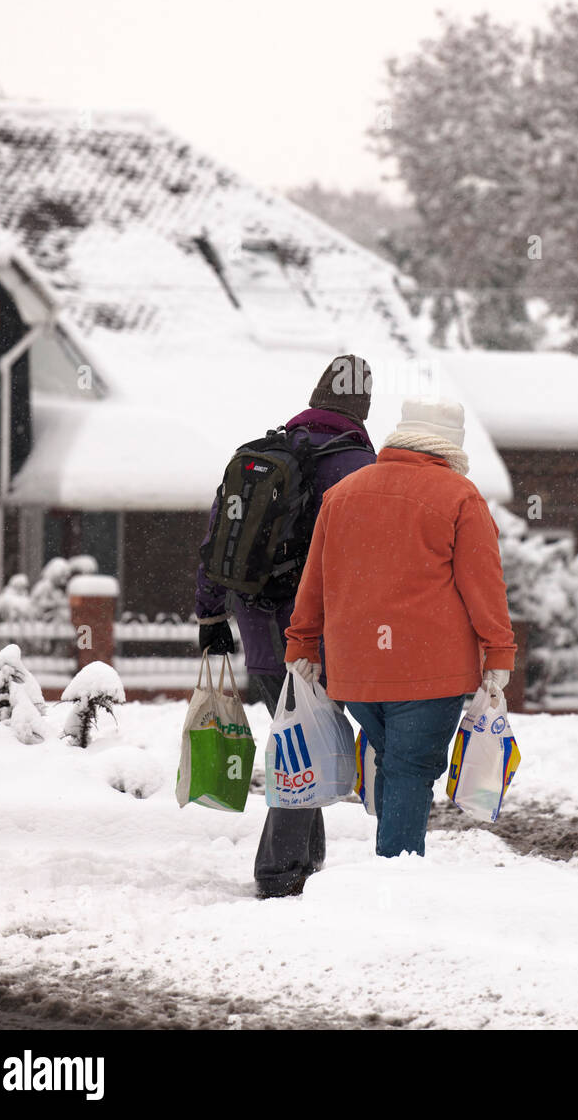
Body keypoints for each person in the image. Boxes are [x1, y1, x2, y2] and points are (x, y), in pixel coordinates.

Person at [284, 397, 515, 858]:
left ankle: (390, 868)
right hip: (429, 668)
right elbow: (484, 587)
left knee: (395, 762)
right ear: (451, 447)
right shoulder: (459, 497)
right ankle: (395, 880)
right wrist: (500, 653)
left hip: (355, 670)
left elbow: (315, 581)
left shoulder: (343, 493)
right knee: (411, 768)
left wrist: (302, 645)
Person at [194, 354, 375, 897]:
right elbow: (362, 562)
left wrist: (211, 615)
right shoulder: (359, 469)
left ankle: (305, 865)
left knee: (301, 736)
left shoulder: (260, 456)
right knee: (303, 742)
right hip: (317, 634)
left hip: (257, 623)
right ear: (363, 408)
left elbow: (214, 541)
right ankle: (279, 872)